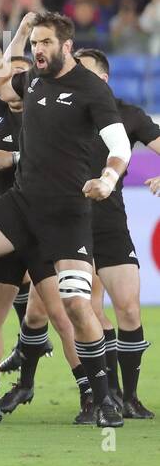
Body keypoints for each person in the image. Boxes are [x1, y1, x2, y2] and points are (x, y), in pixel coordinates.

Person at [0, 12, 129, 428]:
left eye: (45, 43)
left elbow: (119, 146)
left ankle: (103, 401)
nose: (38, 51)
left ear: (66, 47)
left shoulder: (92, 91)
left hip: (67, 212)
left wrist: (109, 178)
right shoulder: (34, 82)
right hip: (22, 203)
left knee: (78, 309)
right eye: (35, 44)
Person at [71, 47, 155, 419]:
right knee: (87, 311)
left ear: (102, 78)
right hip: (71, 222)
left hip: (110, 222)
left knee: (129, 308)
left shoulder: (130, 116)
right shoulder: (62, 111)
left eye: (83, 73)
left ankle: (131, 396)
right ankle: (107, 395)